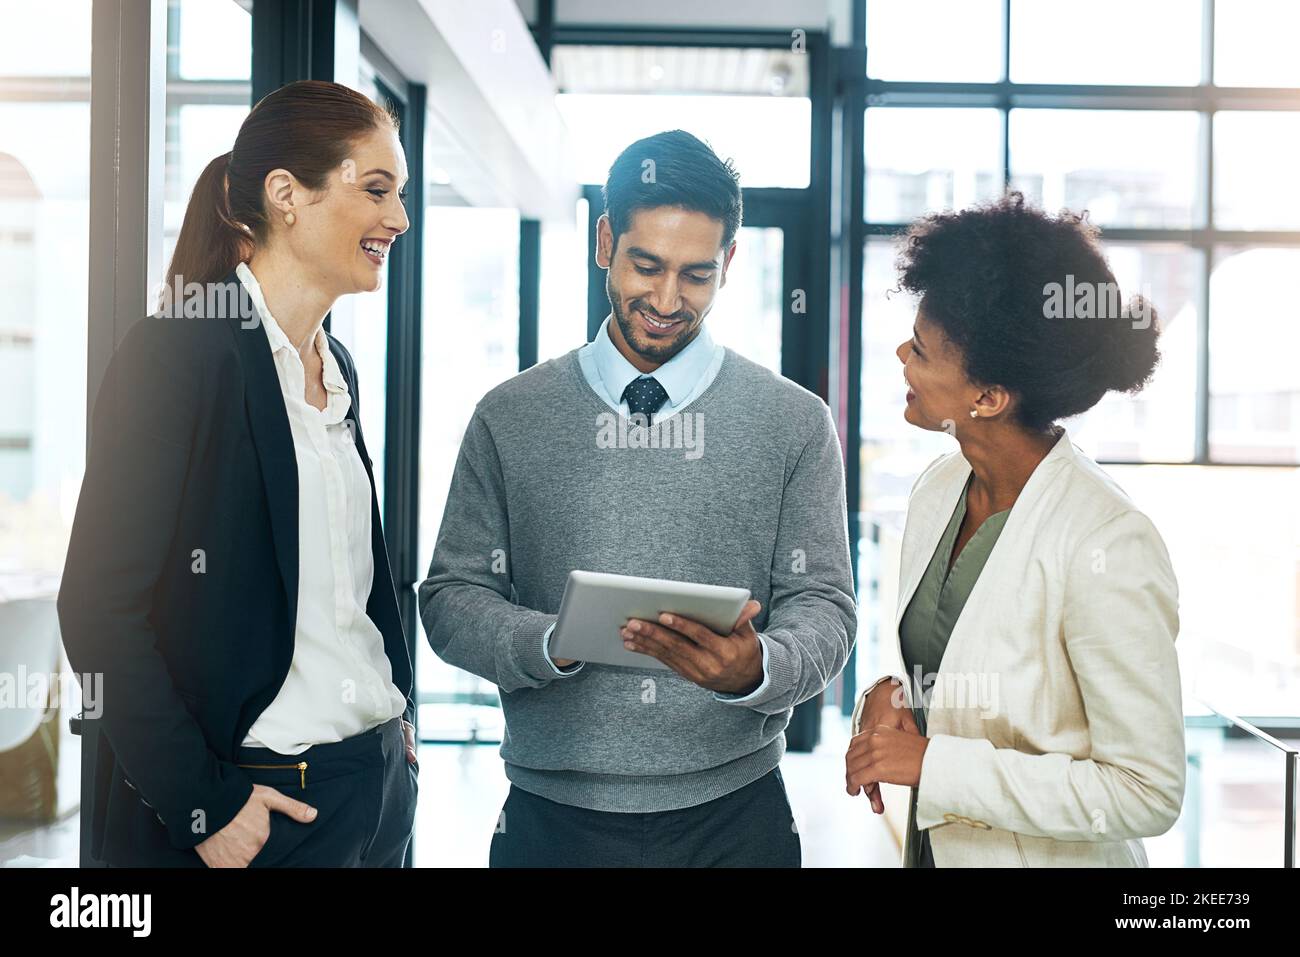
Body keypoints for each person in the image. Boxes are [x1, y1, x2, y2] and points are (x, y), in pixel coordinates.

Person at [419, 130, 857, 867]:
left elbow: (827, 607)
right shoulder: (512, 415)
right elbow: (451, 598)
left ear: (729, 264)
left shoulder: (792, 421)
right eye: (646, 266)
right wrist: (549, 643)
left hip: (735, 817)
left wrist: (757, 668)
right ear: (604, 242)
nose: (665, 300)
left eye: (696, 275)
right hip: (553, 817)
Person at [58, 80, 418, 868]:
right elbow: (95, 608)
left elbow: (352, 589)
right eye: (376, 189)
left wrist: (397, 723)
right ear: (286, 195)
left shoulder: (337, 366)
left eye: (400, 193)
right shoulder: (176, 355)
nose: (398, 217)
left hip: (376, 790)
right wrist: (204, 805)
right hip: (262, 806)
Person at [845, 193, 1185, 867]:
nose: (902, 355)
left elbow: (1147, 790)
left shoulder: (1107, 541)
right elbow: (956, 667)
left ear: (989, 396)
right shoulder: (939, 487)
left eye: (922, 350)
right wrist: (889, 695)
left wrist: (934, 765)